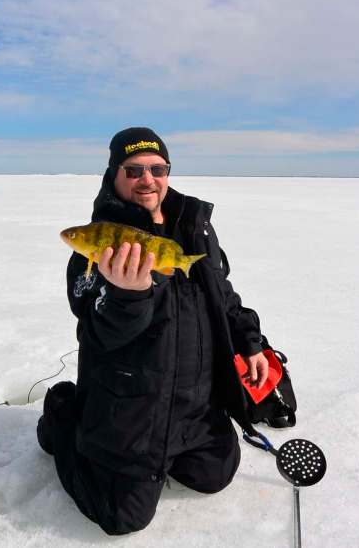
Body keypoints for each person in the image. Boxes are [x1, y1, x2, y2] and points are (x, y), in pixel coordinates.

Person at [37, 126, 270, 535]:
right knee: (121, 515)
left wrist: (251, 343)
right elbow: (97, 332)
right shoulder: (99, 243)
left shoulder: (193, 225)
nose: (147, 179)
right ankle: (64, 416)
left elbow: (223, 294)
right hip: (129, 409)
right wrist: (128, 297)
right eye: (134, 170)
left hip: (192, 405)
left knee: (216, 473)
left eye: (157, 168)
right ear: (114, 174)